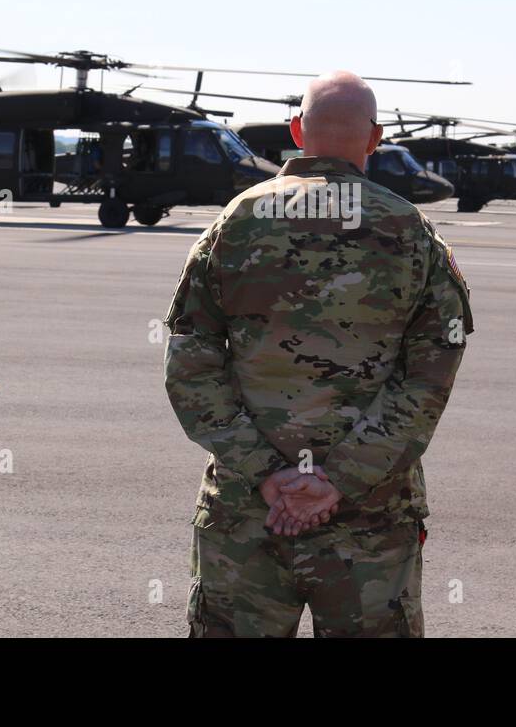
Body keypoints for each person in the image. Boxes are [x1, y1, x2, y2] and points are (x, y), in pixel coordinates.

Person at [164, 70, 472, 637]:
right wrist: (340, 479)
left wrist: (266, 475)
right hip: (371, 519)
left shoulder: (234, 224)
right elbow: (431, 374)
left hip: (249, 514)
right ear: (375, 139)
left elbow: (189, 363)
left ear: (295, 130)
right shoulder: (411, 232)